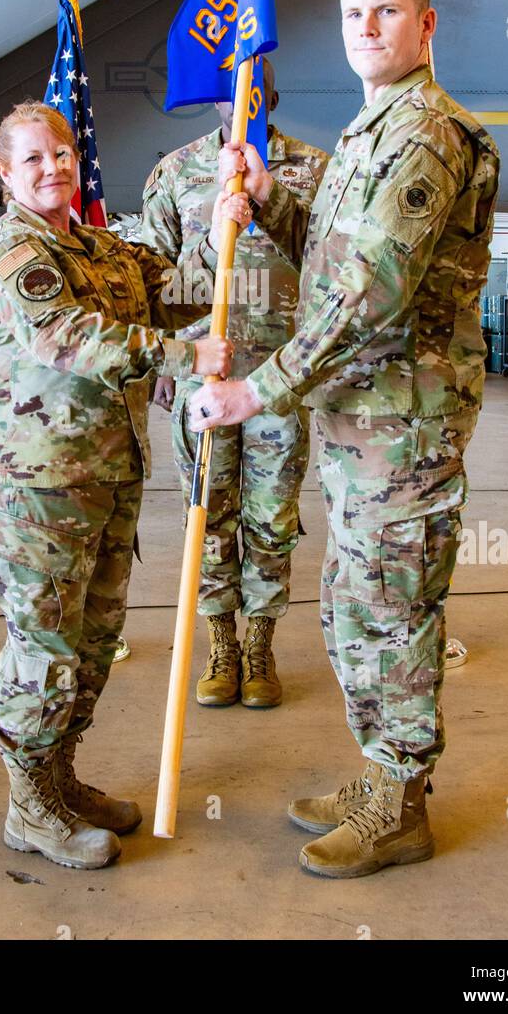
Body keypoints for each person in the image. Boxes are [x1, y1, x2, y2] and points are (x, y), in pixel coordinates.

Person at [188, 0, 500, 878]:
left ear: (425, 26)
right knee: (354, 607)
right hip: (362, 419)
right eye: (352, 14)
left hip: (404, 420)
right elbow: (333, 255)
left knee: (392, 611)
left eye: (386, 12)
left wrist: (258, 390)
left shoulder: (426, 134)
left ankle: (400, 804)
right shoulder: (371, 128)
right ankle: (379, 776)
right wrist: (271, 197)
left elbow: (370, 291)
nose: (365, 28)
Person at [0, 100, 250, 870]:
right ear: (4, 173)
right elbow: (64, 335)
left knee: (91, 646)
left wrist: (226, 225)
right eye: (32, 159)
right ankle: (29, 806)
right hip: (38, 485)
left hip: (110, 474)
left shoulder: (101, 247)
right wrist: (187, 360)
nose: (53, 168)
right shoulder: (9, 251)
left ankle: (59, 778)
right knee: (45, 650)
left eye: (61, 153)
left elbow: (178, 291)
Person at [139, 59, 328, 708]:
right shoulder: (175, 173)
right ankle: (221, 644)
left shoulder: (312, 170)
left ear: (273, 90)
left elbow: (335, 270)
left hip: (278, 384)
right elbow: (153, 281)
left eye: (256, 78)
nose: (245, 91)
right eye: (231, 81)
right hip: (202, 381)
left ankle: (260, 646)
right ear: (212, 95)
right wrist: (165, 363)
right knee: (207, 519)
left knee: (271, 522)